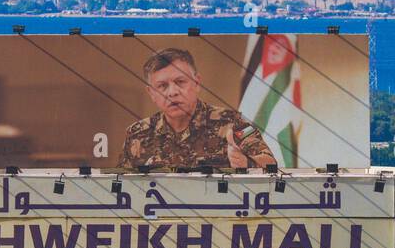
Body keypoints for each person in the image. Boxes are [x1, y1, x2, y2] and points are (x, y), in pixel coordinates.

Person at [119, 48, 278, 171]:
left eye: (180, 82)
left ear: (197, 83)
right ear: (152, 93)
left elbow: (271, 165)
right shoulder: (137, 134)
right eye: (162, 86)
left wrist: (247, 164)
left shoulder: (232, 122)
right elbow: (122, 186)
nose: (172, 92)